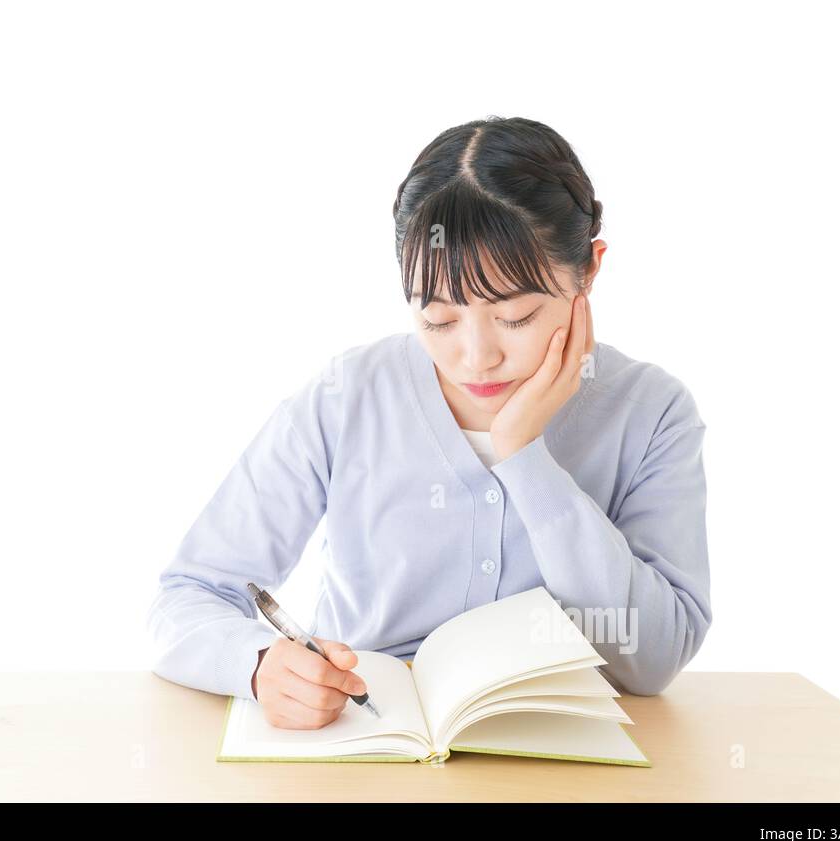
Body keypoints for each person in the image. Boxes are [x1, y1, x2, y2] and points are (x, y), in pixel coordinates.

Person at [145, 116, 710, 730]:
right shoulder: (344, 398)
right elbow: (187, 595)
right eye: (438, 320)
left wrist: (524, 458)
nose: (477, 357)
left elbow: (654, 660)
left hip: (567, 761)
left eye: (516, 316)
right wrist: (256, 664)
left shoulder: (652, 412)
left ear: (589, 271)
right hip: (365, 746)